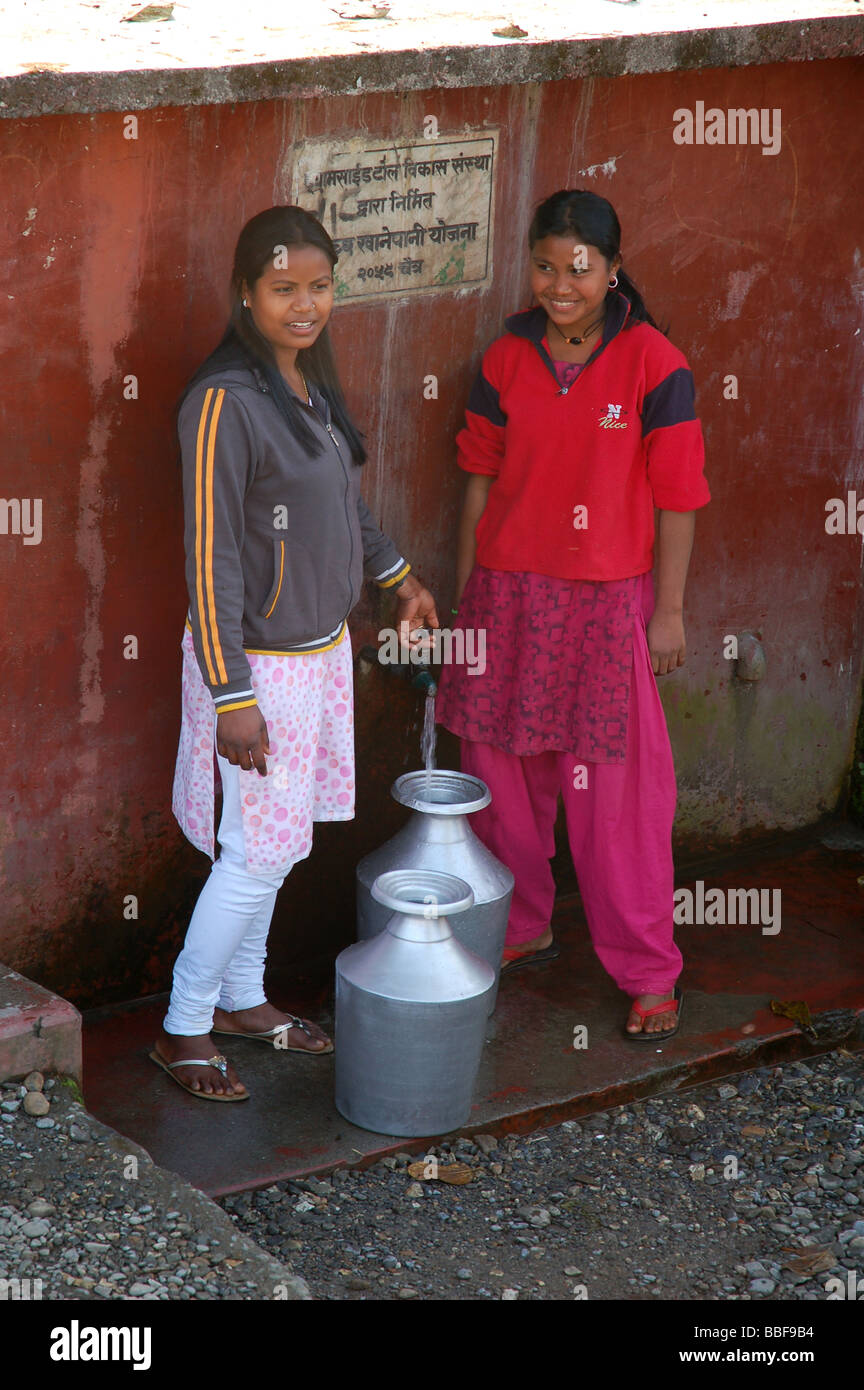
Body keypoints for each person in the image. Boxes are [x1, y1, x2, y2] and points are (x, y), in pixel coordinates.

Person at [151, 206, 438, 1099]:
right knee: (258, 853)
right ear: (246, 293)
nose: (305, 305)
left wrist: (398, 578)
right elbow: (210, 556)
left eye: (319, 286)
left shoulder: (307, 380)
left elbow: (339, 504)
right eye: (284, 289)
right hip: (256, 668)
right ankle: (184, 1025)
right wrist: (232, 693)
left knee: (274, 842)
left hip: (317, 654)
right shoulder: (221, 402)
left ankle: (243, 999)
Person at [435, 189, 710, 1039]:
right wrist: (461, 599)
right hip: (507, 594)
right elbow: (478, 478)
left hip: (606, 602)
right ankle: (521, 925)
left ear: (613, 269)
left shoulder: (654, 363)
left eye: (579, 269)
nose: (561, 285)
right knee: (498, 778)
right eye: (547, 267)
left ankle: (646, 970)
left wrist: (668, 612)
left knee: (615, 797)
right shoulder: (507, 356)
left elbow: (679, 498)